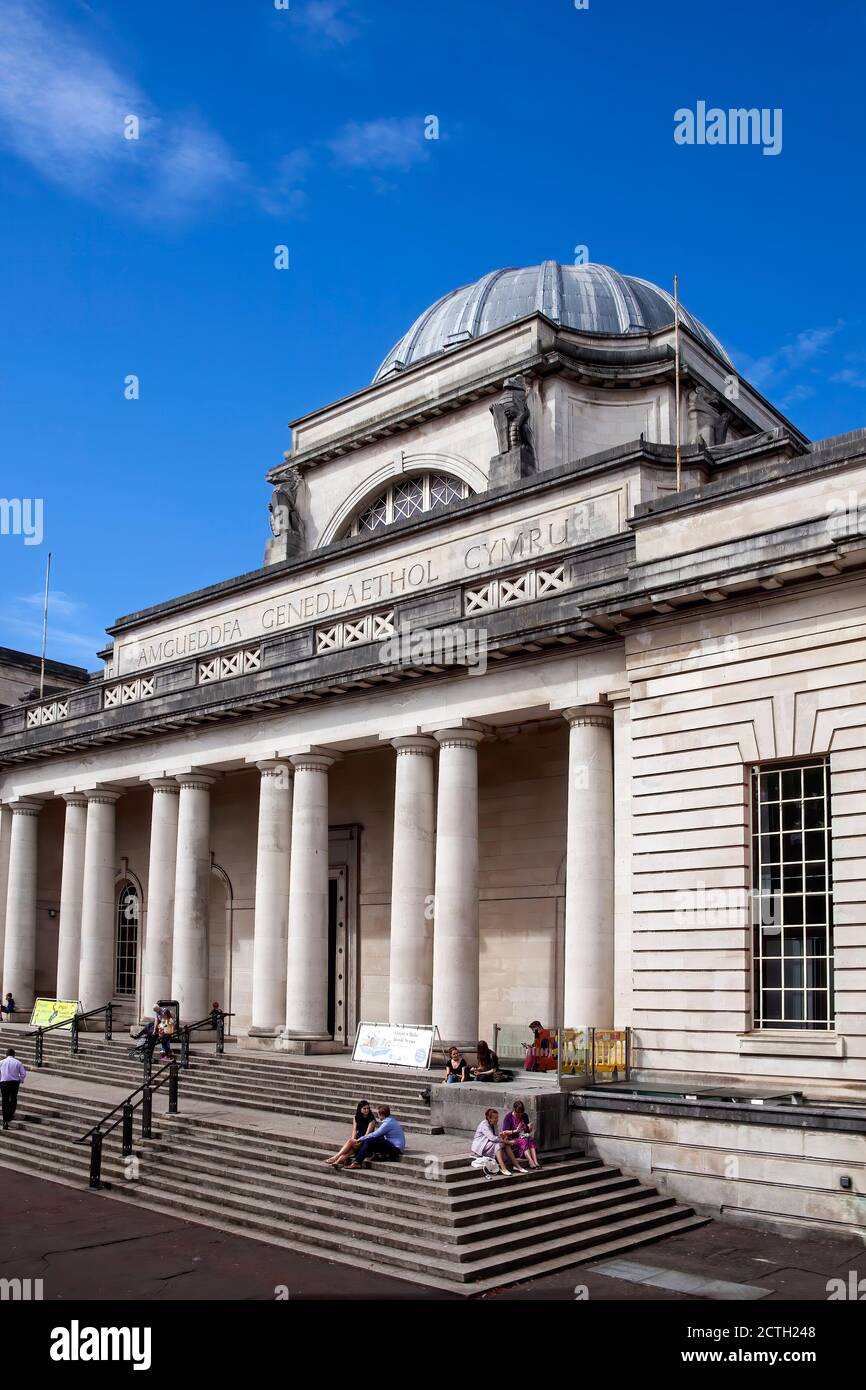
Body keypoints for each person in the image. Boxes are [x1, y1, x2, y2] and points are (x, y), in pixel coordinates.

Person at [348, 1104, 406, 1168]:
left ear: (381, 1115)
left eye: (378, 1114)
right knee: (374, 1139)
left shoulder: (387, 1124)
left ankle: (357, 1162)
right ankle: (366, 1155)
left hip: (396, 1149)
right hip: (395, 1146)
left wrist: (360, 1138)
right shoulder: (391, 1120)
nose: (378, 1116)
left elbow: (375, 1134)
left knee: (368, 1140)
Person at [471, 1108, 525, 1176]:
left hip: (490, 1144)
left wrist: (504, 1137)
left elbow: (497, 1136)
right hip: (481, 1146)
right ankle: (503, 1168)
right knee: (499, 1145)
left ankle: (517, 1165)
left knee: (505, 1145)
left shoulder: (495, 1125)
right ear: (489, 1118)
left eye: (497, 1118)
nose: (497, 1119)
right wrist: (507, 1141)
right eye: (495, 1118)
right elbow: (493, 1138)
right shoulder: (484, 1124)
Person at [325, 1100, 376, 1167]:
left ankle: (335, 1157)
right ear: (360, 1109)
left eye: (368, 1108)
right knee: (348, 1152)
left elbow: (367, 1134)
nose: (367, 1110)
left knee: (350, 1143)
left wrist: (358, 1142)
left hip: (365, 1142)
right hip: (357, 1140)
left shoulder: (372, 1120)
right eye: (364, 1108)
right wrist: (354, 1141)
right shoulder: (356, 1118)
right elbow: (354, 1131)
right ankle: (337, 1162)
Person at [501, 1098, 540, 1169]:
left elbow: (527, 1131)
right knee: (524, 1140)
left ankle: (535, 1161)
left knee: (530, 1139)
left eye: (521, 1113)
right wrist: (515, 1130)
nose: (519, 1115)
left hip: (522, 1137)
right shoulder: (508, 1117)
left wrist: (529, 1128)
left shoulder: (524, 1116)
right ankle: (530, 1161)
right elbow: (504, 1132)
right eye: (517, 1113)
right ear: (514, 1110)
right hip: (512, 1139)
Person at [0, 1048, 26, 1128]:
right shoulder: (18, 1062)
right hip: (14, 1083)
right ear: (14, 1054)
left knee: (5, 1101)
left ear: (6, 1054)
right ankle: (10, 1115)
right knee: (13, 1099)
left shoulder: (1, 1062)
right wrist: (20, 1080)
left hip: (4, 1083)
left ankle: (5, 1121)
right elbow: (23, 1074)